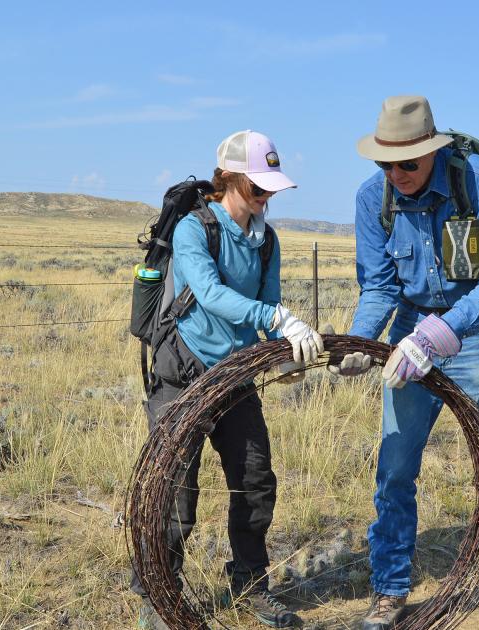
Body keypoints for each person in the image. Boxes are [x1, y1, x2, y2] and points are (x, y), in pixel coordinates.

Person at [332, 96, 479, 629]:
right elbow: (379, 286)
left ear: (432, 152)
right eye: (386, 163)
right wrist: (361, 343)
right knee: (395, 470)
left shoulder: (476, 180)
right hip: (408, 333)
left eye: (408, 163)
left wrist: (441, 332)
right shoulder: (371, 199)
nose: (397, 174)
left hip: (474, 334)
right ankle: (389, 590)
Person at [133, 129, 322, 629]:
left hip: (237, 378)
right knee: (175, 490)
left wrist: (279, 353)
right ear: (230, 180)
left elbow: (267, 302)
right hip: (185, 372)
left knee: (255, 481)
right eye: (258, 189)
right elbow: (212, 294)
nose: (265, 199)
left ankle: (250, 586)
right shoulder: (195, 229)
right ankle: (159, 592)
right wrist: (280, 319)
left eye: (270, 191)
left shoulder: (267, 241)